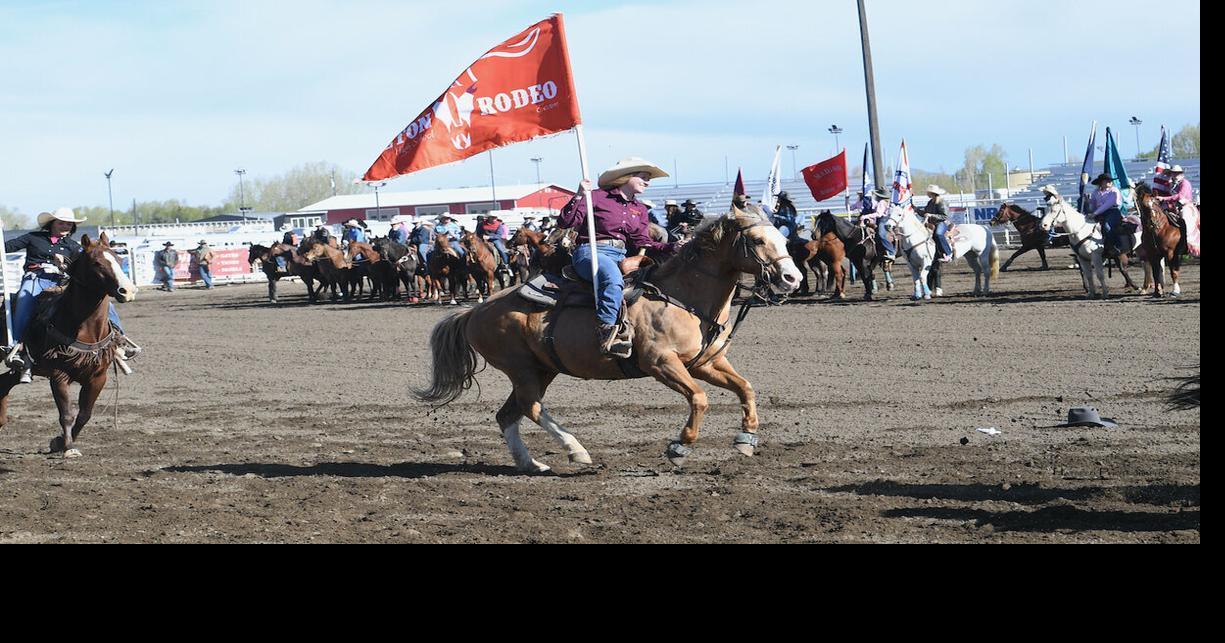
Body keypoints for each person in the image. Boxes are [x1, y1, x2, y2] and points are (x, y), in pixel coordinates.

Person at [4, 208, 139, 384]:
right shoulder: (33, 238)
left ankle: (119, 341)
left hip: (61, 281)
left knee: (107, 304)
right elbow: (6, 247)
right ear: (52, 223)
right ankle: (18, 347)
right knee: (24, 300)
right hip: (36, 278)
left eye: (69, 223)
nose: (65, 226)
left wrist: (64, 265)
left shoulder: (74, 246)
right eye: (61, 222)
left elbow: (79, 269)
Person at [559, 157, 677, 358]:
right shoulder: (595, 197)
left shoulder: (639, 209)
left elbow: (642, 241)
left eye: (649, 178)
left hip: (621, 256)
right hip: (591, 252)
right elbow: (566, 221)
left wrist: (671, 246)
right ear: (626, 177)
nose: (647, 182)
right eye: (643, 177)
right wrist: (579, 194)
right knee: (613, 278)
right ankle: (606, 329)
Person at [1088, 173, 1124, 257]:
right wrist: (1087, 201)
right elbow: (1093, 204)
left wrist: (1094, 213)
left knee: (1107, 226)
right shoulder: (1096, 192)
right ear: (1101, 182)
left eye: (1110, 180)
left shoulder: (1114, 191)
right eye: (1107, 180)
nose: (1109, 181)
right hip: (1099, 212)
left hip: (1113, 211)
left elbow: (1107, 204)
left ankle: (1114, 246)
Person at [923, 185, 953, 263]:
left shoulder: (941, 202)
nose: (927, 193)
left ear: (932, 193)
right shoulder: (930, 202)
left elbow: (945, 216)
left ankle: (948, 253)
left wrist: (931, 215)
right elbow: (925, 213)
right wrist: (916, 209)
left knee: (938, 234)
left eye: (928, 192)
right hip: (933, 223)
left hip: (942, 222)